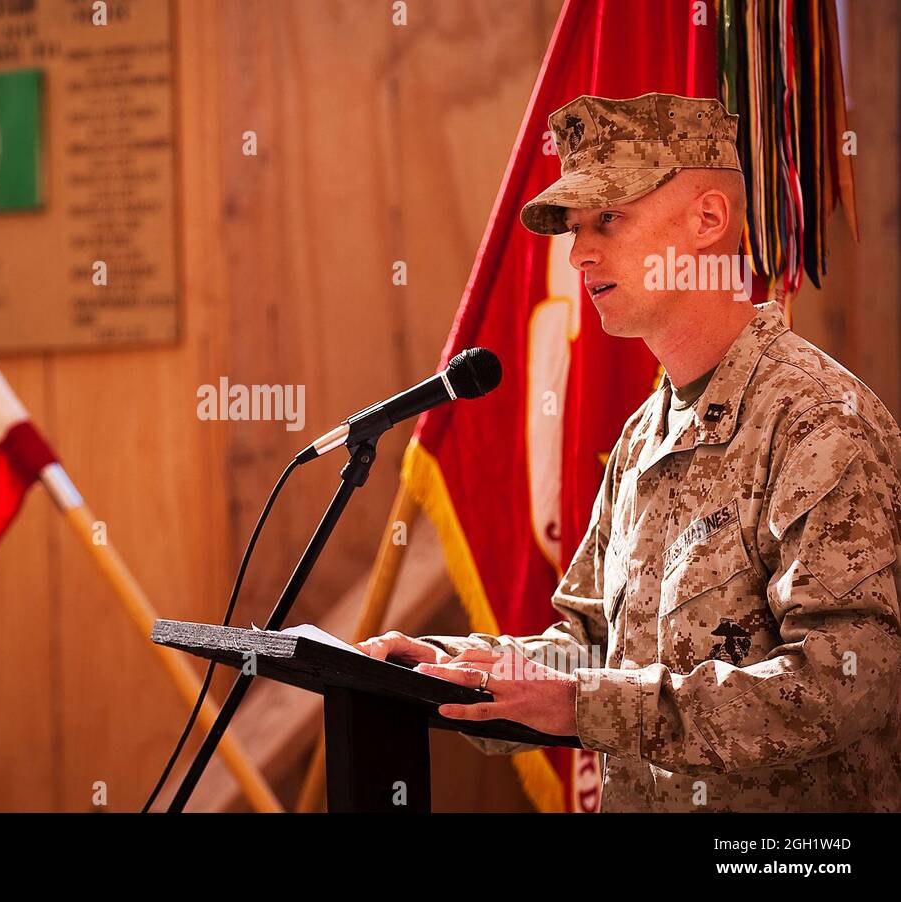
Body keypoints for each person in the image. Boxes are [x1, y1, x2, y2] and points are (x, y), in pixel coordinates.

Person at [358, 93, 901, 812]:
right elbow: (590, 646)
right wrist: (462, 670)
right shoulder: (644, 434)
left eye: (607, 218)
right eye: (576, 228)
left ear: (707, 220)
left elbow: (847, 682)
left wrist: (587, 704)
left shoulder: (817, 421)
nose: (580, 251)